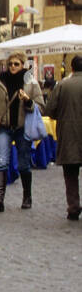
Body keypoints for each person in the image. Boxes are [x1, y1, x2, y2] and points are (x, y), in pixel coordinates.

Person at [0, 50, 45, 212]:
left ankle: (27, 196)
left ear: (23, 65)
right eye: (10, 64)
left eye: (16, 64)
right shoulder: (1, 81)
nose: (12, 66)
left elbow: (41, 106)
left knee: (24, 164)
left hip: (22, 128)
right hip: (4, 127)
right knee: (2, 162)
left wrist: (28, 101)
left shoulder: (31, 82)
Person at [46, 54, 82, 220]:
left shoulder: (62, 85)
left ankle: (73, 207)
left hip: (68, 134)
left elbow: (50, 109)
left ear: (72, 68)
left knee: (70, 173)